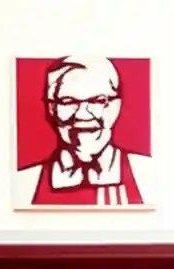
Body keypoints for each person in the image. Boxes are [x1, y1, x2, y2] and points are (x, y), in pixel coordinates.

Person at [15, 56, 154, 206]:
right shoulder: (24, 183)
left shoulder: (148, 174)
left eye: (98, 101)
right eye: (68, 102)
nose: (82, 115)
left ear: (116, 107)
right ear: (51, 109)